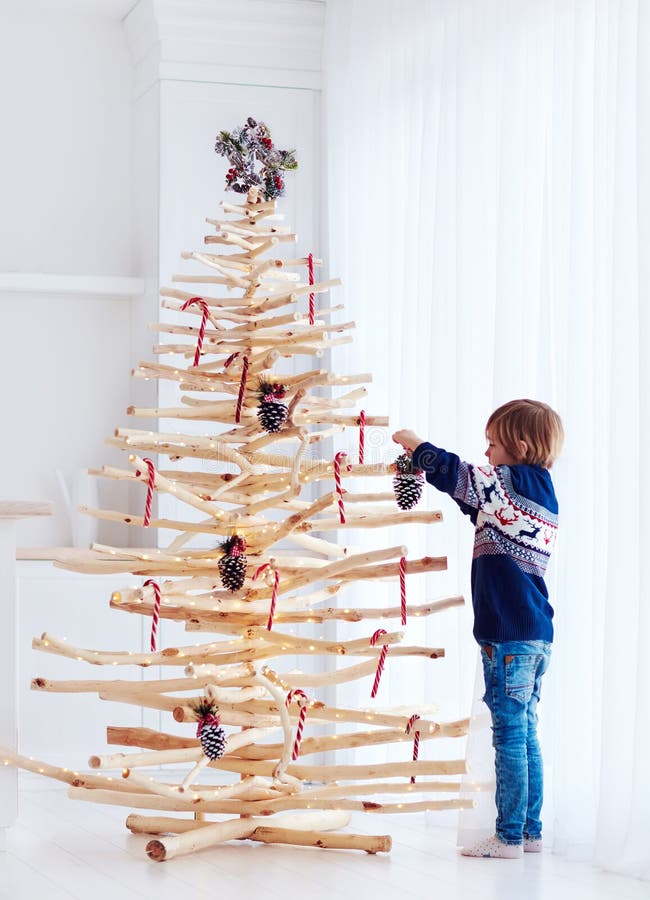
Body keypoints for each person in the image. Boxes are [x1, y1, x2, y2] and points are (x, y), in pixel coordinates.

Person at [393, 399, 564, 859]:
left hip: (509, 634)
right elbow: (473, 497)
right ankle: (529, 831)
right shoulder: (535, 491)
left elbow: (463, 476)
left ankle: (508, 836)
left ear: (521, 447)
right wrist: (431, 473)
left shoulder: (512, 483)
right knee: (525, 729)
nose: (486, 453)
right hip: (533, 634)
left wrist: (418, 447)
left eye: (492, 445)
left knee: (509, 734)